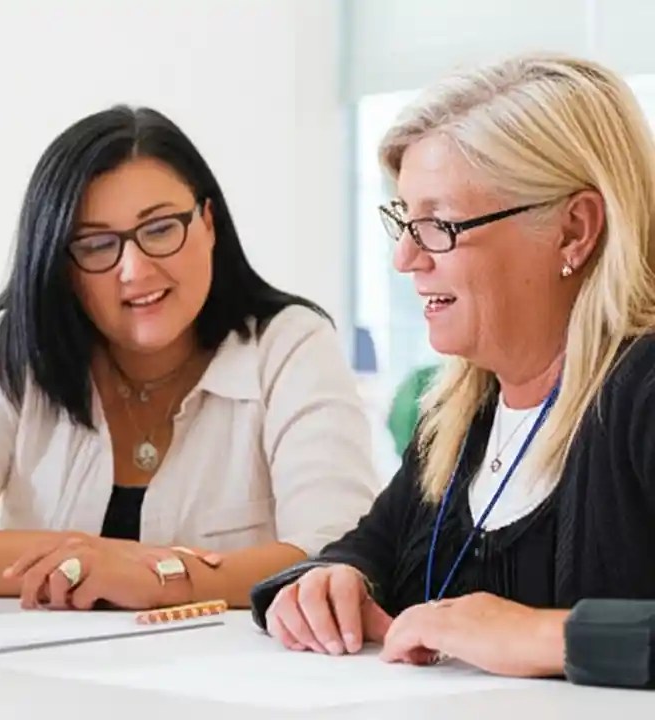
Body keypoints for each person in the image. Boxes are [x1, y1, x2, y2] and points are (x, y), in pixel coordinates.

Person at [0, 106, 380, 611]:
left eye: (159, 230)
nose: (133, 269)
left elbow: (340, 560)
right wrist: (92, 561)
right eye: (95, 244)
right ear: (63, 264)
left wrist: (158, 577)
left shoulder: (290, 347)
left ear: (208, 223)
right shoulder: (16, 351)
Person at [251, 53, 655, 689]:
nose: (405, 258)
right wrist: (335, 582)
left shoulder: (643, 391)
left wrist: (541, 633)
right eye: (405, 221)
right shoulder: (461, 411)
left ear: (574, 230)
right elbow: (369, 549)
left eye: (440, 225)